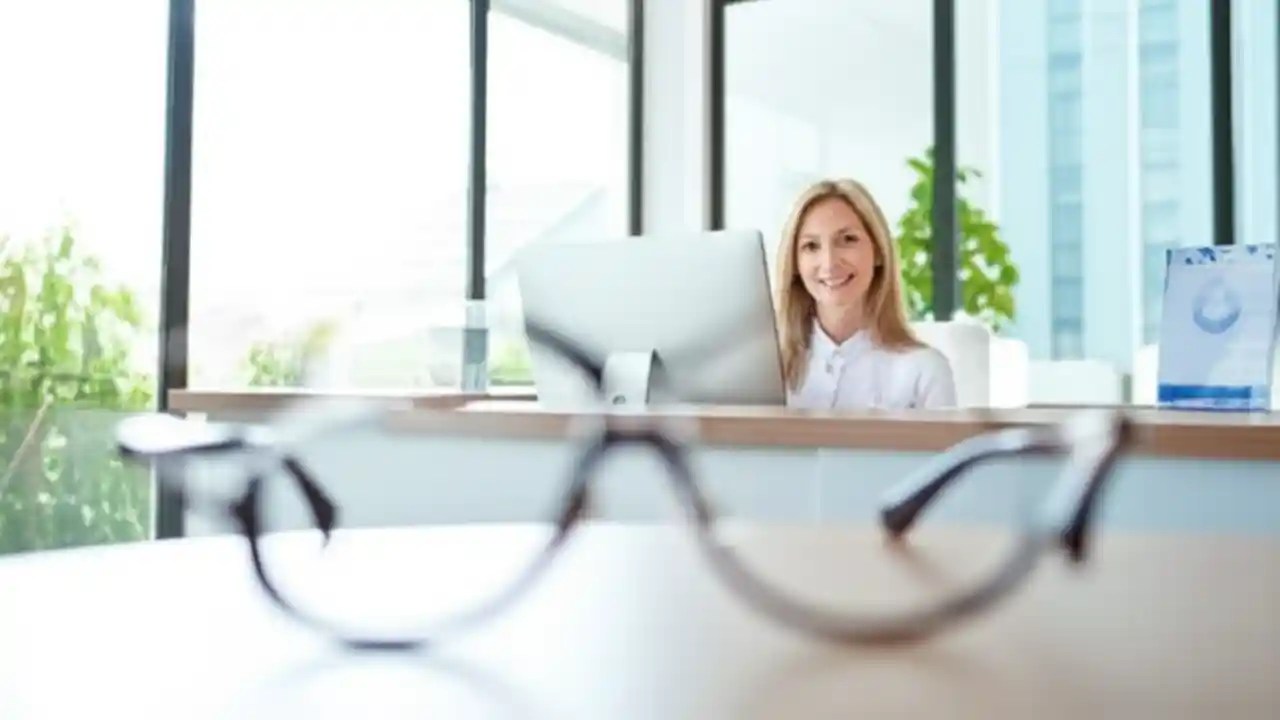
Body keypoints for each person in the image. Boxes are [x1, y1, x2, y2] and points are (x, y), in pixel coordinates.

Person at [775, 178, 957, 410]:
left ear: (878, 251)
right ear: (795, 263)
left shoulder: (925, 371)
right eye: (811, 246)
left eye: (847, 240)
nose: (829, 263)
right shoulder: (768, 371)